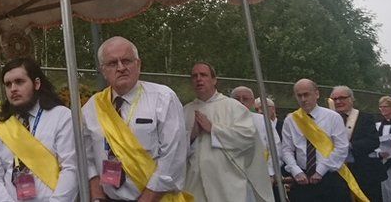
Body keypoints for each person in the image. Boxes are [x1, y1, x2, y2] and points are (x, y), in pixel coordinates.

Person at [82, 36, 188, 202]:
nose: (121, 67)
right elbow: (86, 158)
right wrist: (97, 197)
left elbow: (173, 158)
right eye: (112, 63)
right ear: (103, 70)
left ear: (138, 64)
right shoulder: (91, 107)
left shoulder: (163, 98)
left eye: (126, 61)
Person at [0, 57, 79, 202]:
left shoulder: (61, 116)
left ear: (37, 83)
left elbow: (72, 168)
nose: (13, 89)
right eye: (8, 84)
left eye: (19, 82)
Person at [182, 64, 272, 202]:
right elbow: (174, 147)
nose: (199, 79)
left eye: (204, 75)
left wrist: (213, 129)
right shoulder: (185, 111)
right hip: (194, 183)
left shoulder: (233, 107)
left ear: (214, 80)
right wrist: (192, 136)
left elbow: (247, 137)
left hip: (226, 183)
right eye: (194, 76)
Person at [280, 78, 365, 201]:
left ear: (317, 94)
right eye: (299, 96)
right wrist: (295, 170)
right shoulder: (291, 120)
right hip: (302, 179)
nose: (303, 99)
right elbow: (286, 149)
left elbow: (341, 147)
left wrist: (320, 171)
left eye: (306, 94)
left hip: (330, 177)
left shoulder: (333, 117)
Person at [330, 86, 385, 202]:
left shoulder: (365, 118)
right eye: (335, 99)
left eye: (342, 98)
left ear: (351, 99)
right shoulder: (328, 120)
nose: (338, 102)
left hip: (364, 173)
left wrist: (350, 146)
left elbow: (373, 141)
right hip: (338, 174)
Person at [231, 86, 283, 202]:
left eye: (245, 99)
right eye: (237, 99)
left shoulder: (263, 121)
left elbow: (275, 148)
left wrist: (270, 173)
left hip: (261, 175)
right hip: (232, 178)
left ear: (253, 102)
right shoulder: (224, 120)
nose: (241, 102)